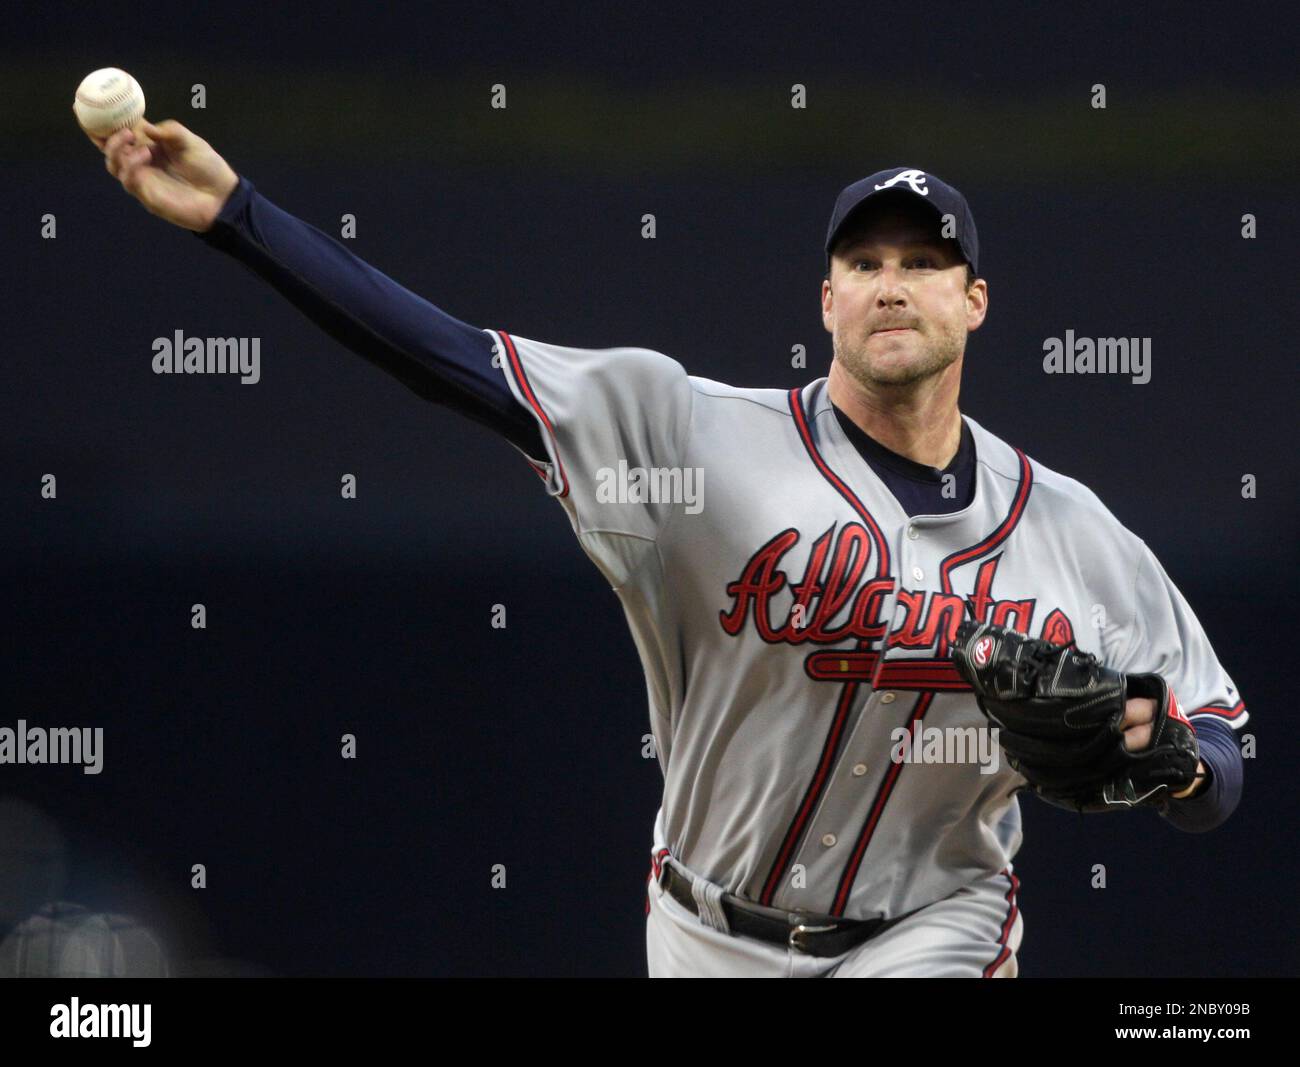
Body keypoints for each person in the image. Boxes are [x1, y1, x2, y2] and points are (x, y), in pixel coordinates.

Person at [93, 123, 1247, 977]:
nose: (892, 283)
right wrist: (243, 218)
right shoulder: (687, 433)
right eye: (865, 263)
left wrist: (1170, 759)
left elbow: (1219, 745)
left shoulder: (1072, 532)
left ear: (976, 299)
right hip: (703, 931)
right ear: (827, 300)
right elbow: (449, 359)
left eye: (923, 261)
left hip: (933, 929)